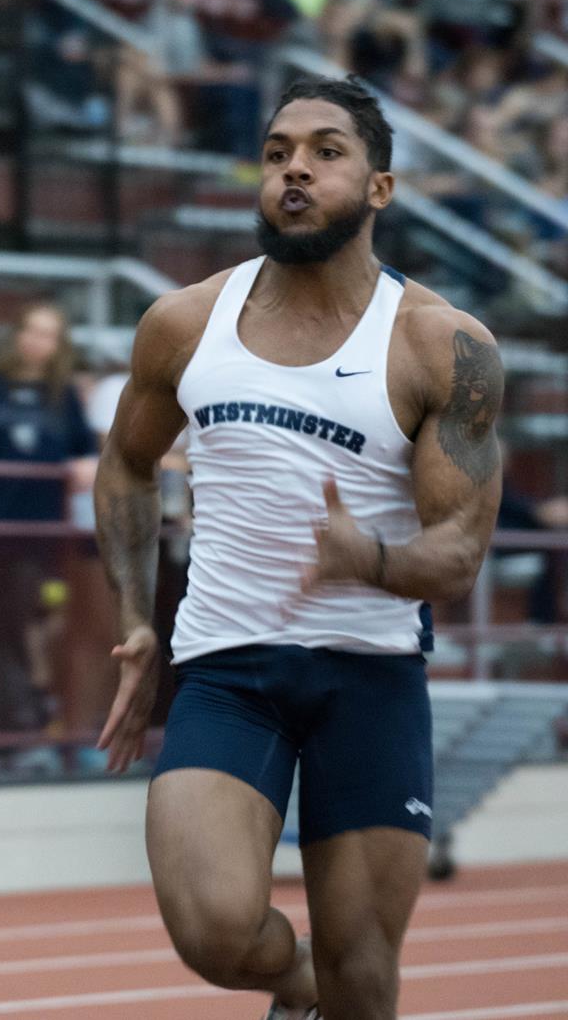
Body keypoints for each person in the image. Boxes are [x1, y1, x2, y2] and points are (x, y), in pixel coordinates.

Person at [94, 75, 504, 1020]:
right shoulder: (186, 323)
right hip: (227, 669)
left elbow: (458, 554)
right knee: (213, 928)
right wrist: (133, 617)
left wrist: (372, 561)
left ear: (378, 189)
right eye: (278, 152)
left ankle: (338, 987)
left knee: (366, 974)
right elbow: (124, 465)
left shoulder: (443, 345)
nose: (294, 170)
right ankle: (300, 985)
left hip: (369, 675)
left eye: (325, 152)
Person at [0, 300, 98, 766]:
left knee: (23, 635)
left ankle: (22, 738)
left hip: (39, 538)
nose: (37, 341)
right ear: (16, 333)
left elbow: (84, 454)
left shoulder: (65, 396)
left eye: (48, 334)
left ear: (59, 345)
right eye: (31, 330)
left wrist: (84, 465)